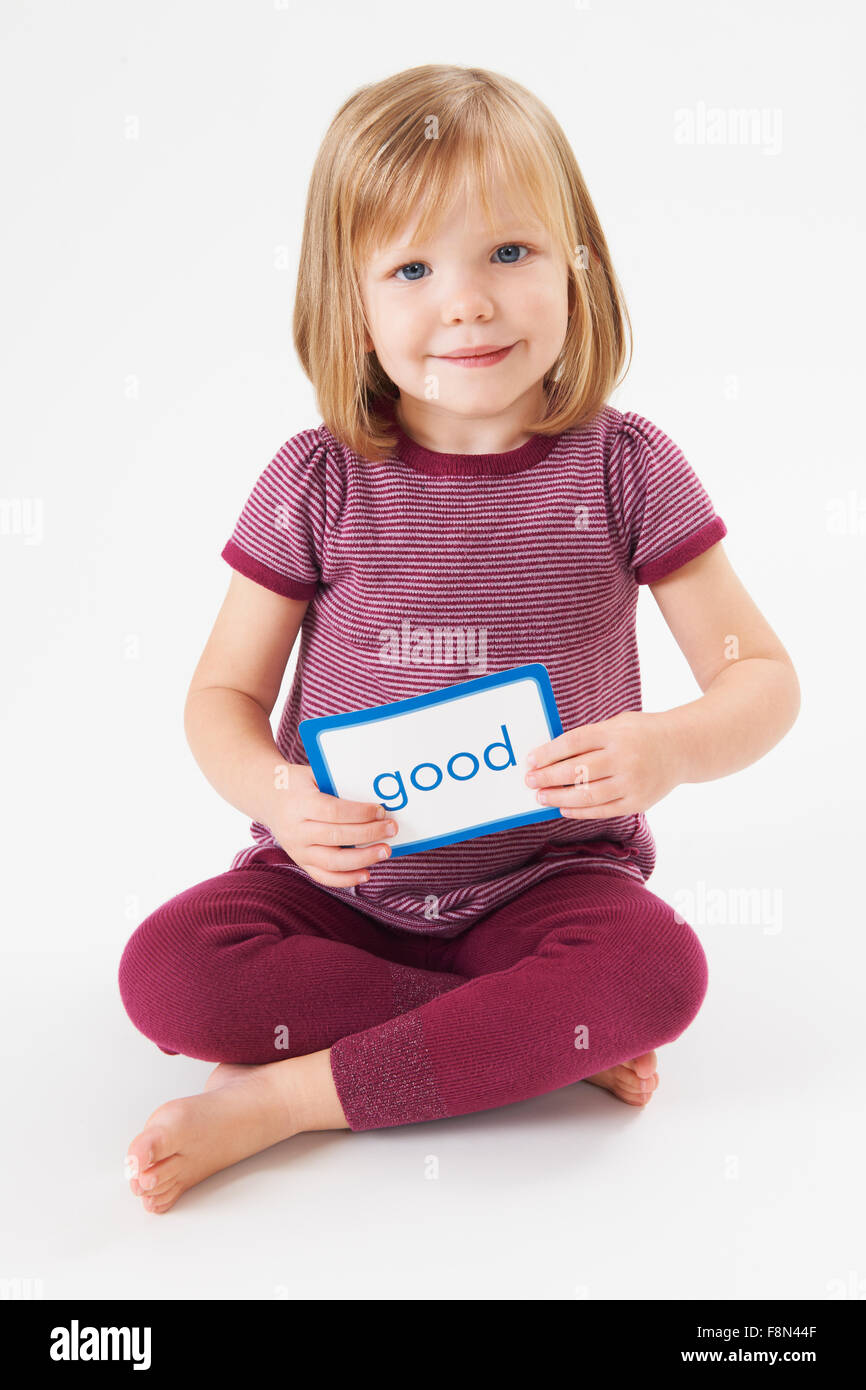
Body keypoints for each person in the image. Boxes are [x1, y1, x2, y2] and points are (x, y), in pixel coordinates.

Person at [119, 64, 800, 1215]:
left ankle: (283, 1099)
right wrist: (281, 798)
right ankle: (528, 1039)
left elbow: (762, 679)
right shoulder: (316, 479)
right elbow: (218, 699)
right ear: (353, 303)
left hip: (547, 882)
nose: (467, 302)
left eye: (509, 253)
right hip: (337, 888)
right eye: (413, 268)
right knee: (166, 974)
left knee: (655, 972)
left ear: (577, 263)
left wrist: (669, 746)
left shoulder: (625, 466)